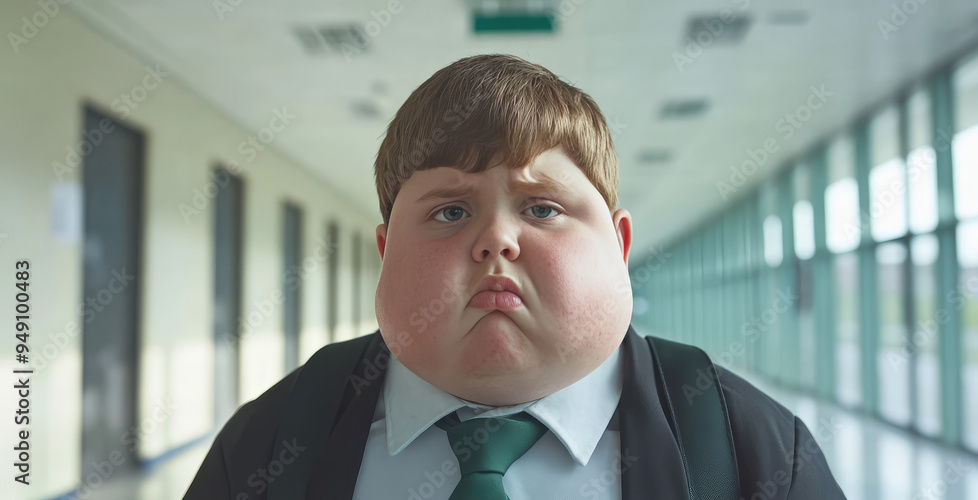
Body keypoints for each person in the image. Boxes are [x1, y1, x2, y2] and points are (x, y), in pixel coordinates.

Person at [184, 53, 846, 499]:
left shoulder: (750, 450)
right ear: (387, 251)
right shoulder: (274, 439)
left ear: (618, 246)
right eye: (450, 210)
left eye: (543, 208)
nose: (496, 239)